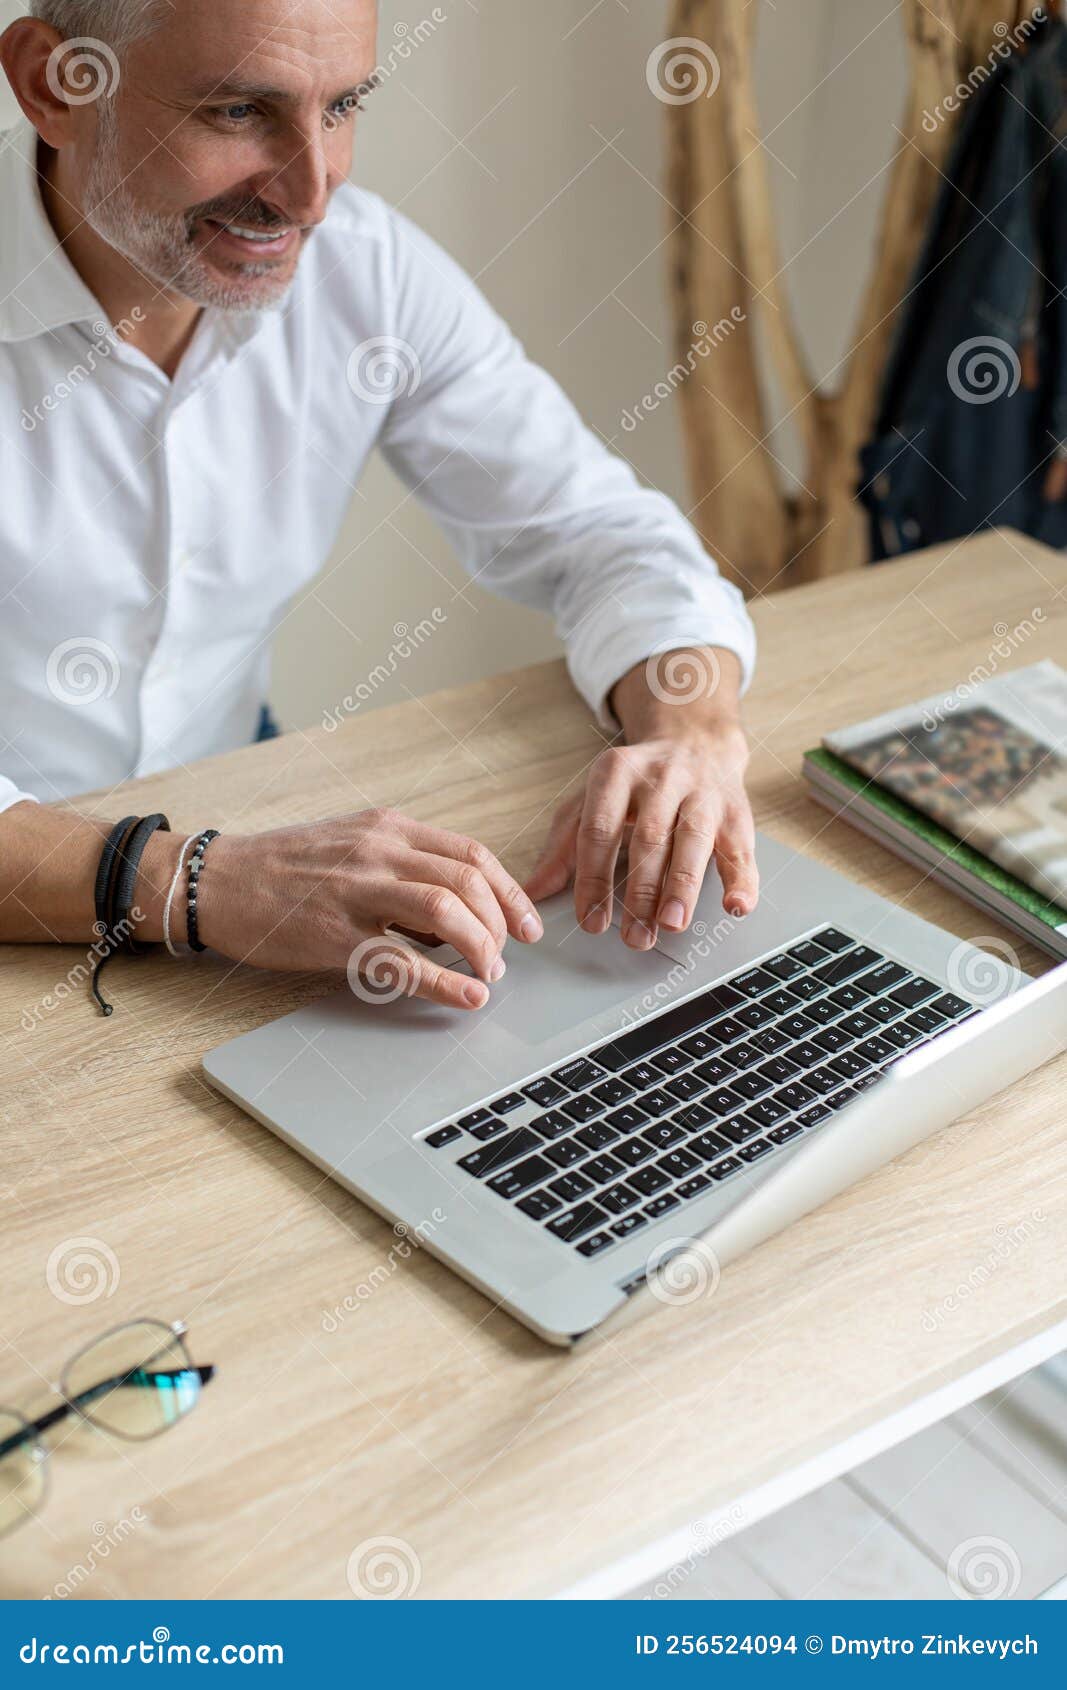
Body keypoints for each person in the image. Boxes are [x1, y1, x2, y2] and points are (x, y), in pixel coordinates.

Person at [0, 0, 759, 1011]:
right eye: (235, 113)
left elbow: (597, 532)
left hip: (232, 839)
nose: (310, 192)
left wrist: (688, 732)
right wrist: (188, 881)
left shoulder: (368, 273)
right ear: (57, 82)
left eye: (343, 105)